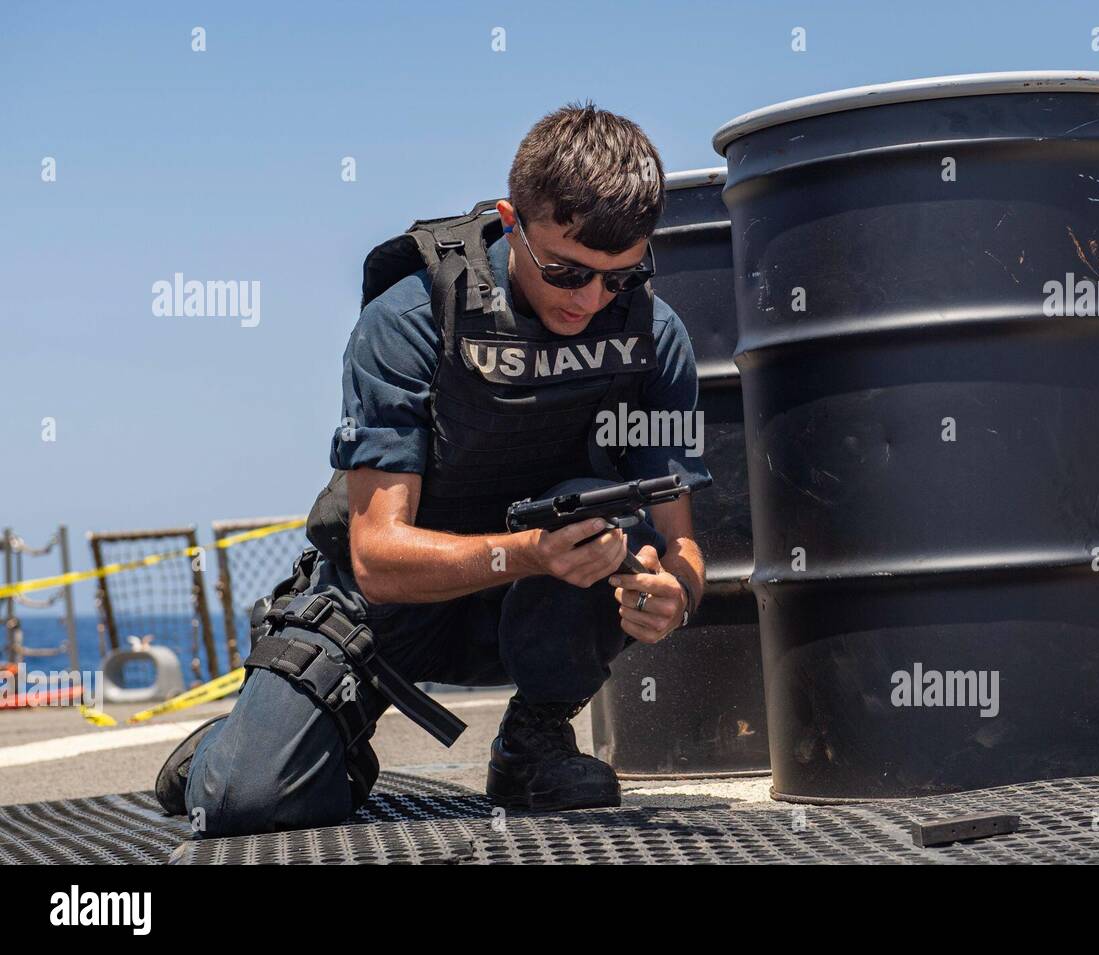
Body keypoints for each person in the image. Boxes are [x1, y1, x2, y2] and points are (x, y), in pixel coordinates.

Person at [154, 101, 711, 837]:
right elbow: (378, 558)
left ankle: (534, 740)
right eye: (566, 270)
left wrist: (676, 592)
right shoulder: (408, 321)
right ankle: (232, 751)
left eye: (618, 275)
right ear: (512, 221)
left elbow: (680, 543)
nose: (589, 298)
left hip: (526, 610)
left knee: (601, 511)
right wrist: (529, 552)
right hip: (383, 614)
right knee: (245, 803)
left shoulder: (655, 334)